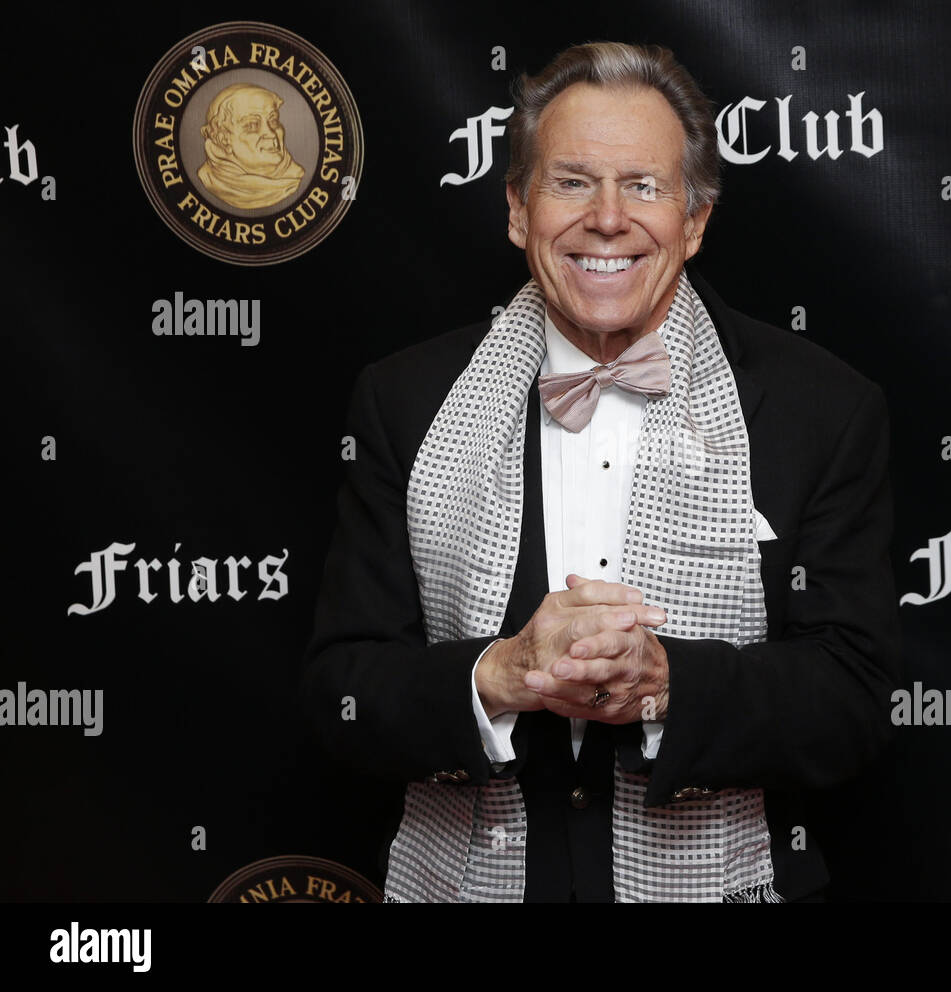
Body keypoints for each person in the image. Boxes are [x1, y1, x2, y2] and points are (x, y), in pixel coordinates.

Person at [302, 40, 901, 903]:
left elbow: (853, 701)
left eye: (646, 186)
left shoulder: (825, 410)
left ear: (695, 219)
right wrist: (497, 677)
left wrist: (668, 683)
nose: (609, 219)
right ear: (518, 207)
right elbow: (339, 693)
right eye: (573, 181)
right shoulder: (403, 400)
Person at [197, 83, 304, 209]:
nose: (271, 133)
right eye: (252, 125)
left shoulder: (295, 175)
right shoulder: (209, 179)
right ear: (224, 139)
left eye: (273, 120)